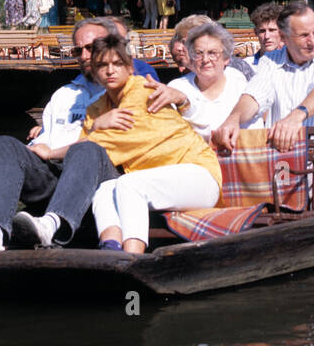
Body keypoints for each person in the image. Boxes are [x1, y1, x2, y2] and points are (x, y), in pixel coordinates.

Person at [0, 17, 180, 253]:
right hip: (55, 176)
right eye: (77, 50)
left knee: (87, 148)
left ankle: (53, 225)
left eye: (91, 48)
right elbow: (44, 141)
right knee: (2, 144)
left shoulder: (128, 90)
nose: (84, 56)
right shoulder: (64, 94)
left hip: (105, 181)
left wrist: (181, 98)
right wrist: (27, 153)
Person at [212, 3, 314, 215]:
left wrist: (296, 117)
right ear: (285, 38)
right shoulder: (270, 61)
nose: (313, 40)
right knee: (238, 196)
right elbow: (254, 96)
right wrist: (233, 119)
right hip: (282, 161)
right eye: (304, 35)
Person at [83, 35, 222, 253]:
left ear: (130, 67)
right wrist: (95, 126)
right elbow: (83, 148)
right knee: (105, 188)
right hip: (159, 182)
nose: (109, 71)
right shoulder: (96, 109)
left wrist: (50, 152)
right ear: (93, 70)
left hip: (199, 176)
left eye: (117, 64)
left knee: (129, 184)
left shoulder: (143, 92)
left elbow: (96, 144)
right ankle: (110, 248)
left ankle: (132, 257)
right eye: (102, 65)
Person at [164, 22, 258, 139]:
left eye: (212, 53)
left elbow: (253, 132)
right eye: (198, 53)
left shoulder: (240, 87)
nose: (205, 59)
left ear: (226, 59)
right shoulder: (178, 88)